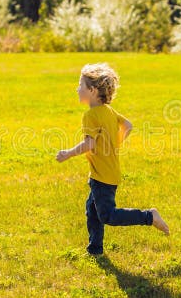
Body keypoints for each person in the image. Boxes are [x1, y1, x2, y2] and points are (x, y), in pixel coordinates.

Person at [55, 62, 170, 256]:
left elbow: (89, 144)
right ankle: (95, 249)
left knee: (108, 215)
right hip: (106, 172)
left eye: (80, 85)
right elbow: (128, 125)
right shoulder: (108, 110)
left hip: (103, 177)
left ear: (92, 90)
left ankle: (149, 217)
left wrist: (67, 153)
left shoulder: (91, 115)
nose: (77, 89)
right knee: (92, 211)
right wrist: (114, 143)